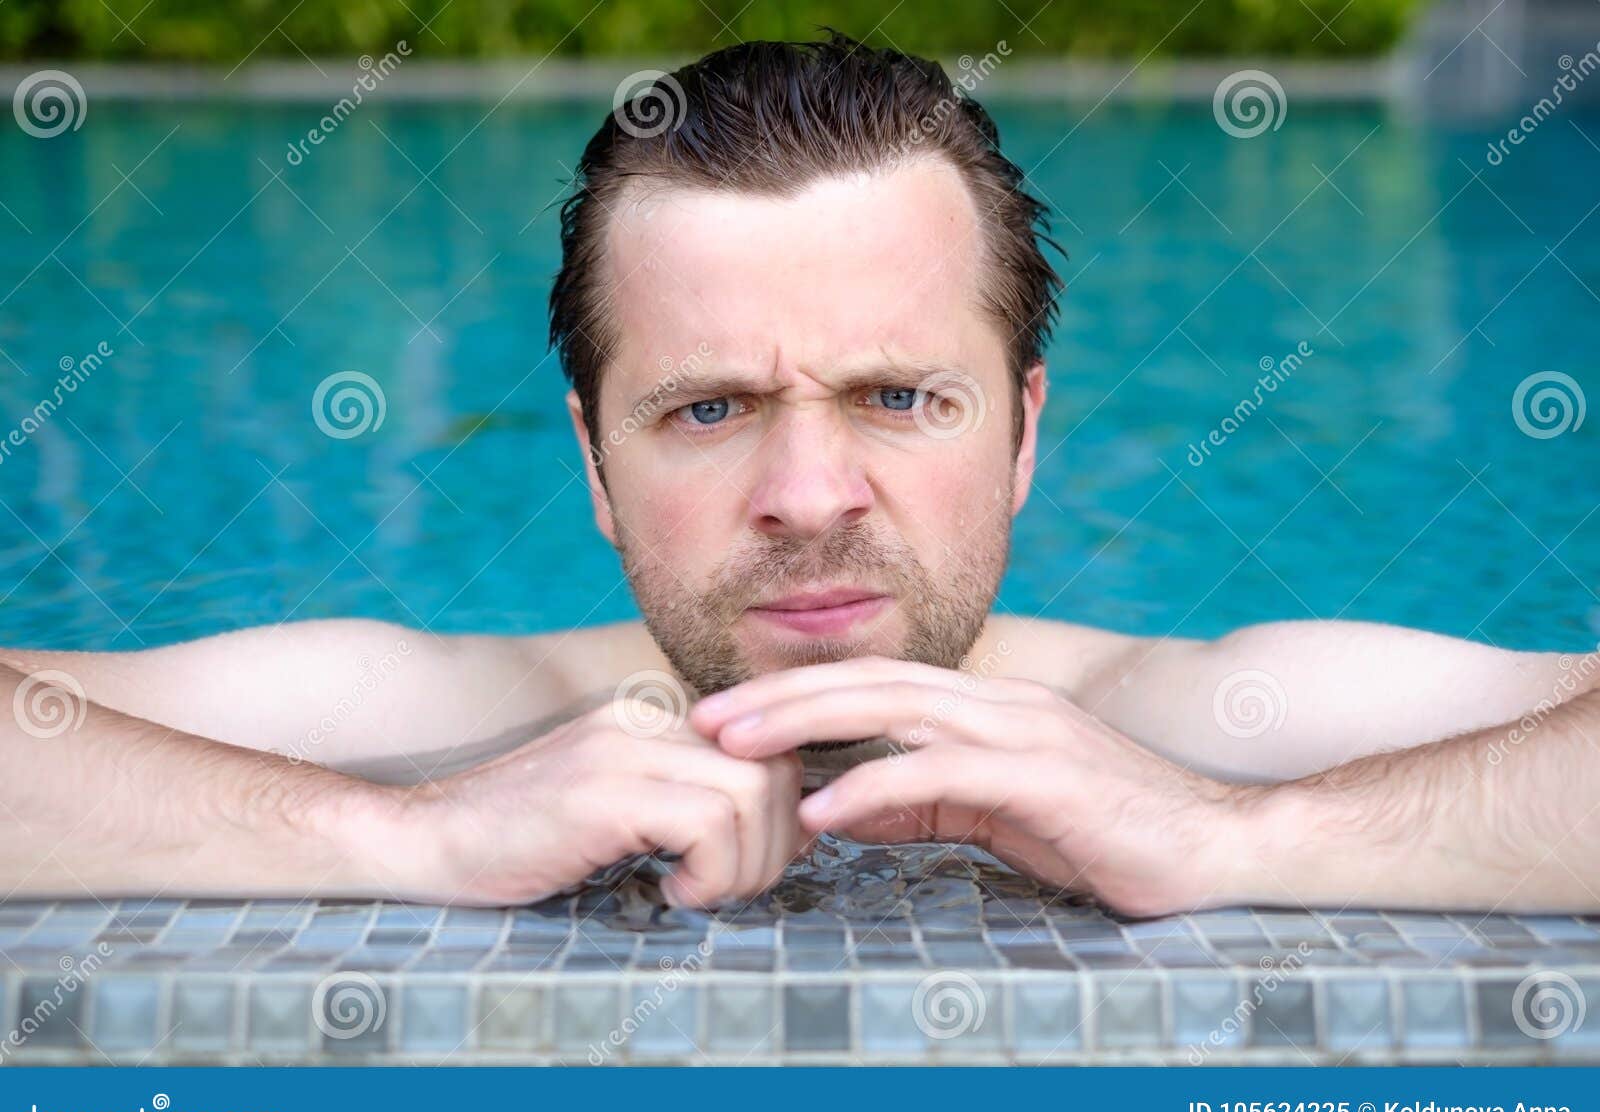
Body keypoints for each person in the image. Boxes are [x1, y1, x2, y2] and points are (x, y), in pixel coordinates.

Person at [2, 35, 1595, 918]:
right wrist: (399, 836)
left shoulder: (1207, 721)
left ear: (1025, 433)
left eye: (900, 397)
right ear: (595, 464)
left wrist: (1242, 836)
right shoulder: (433, 717)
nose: (812, 493)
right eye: (710, 409)